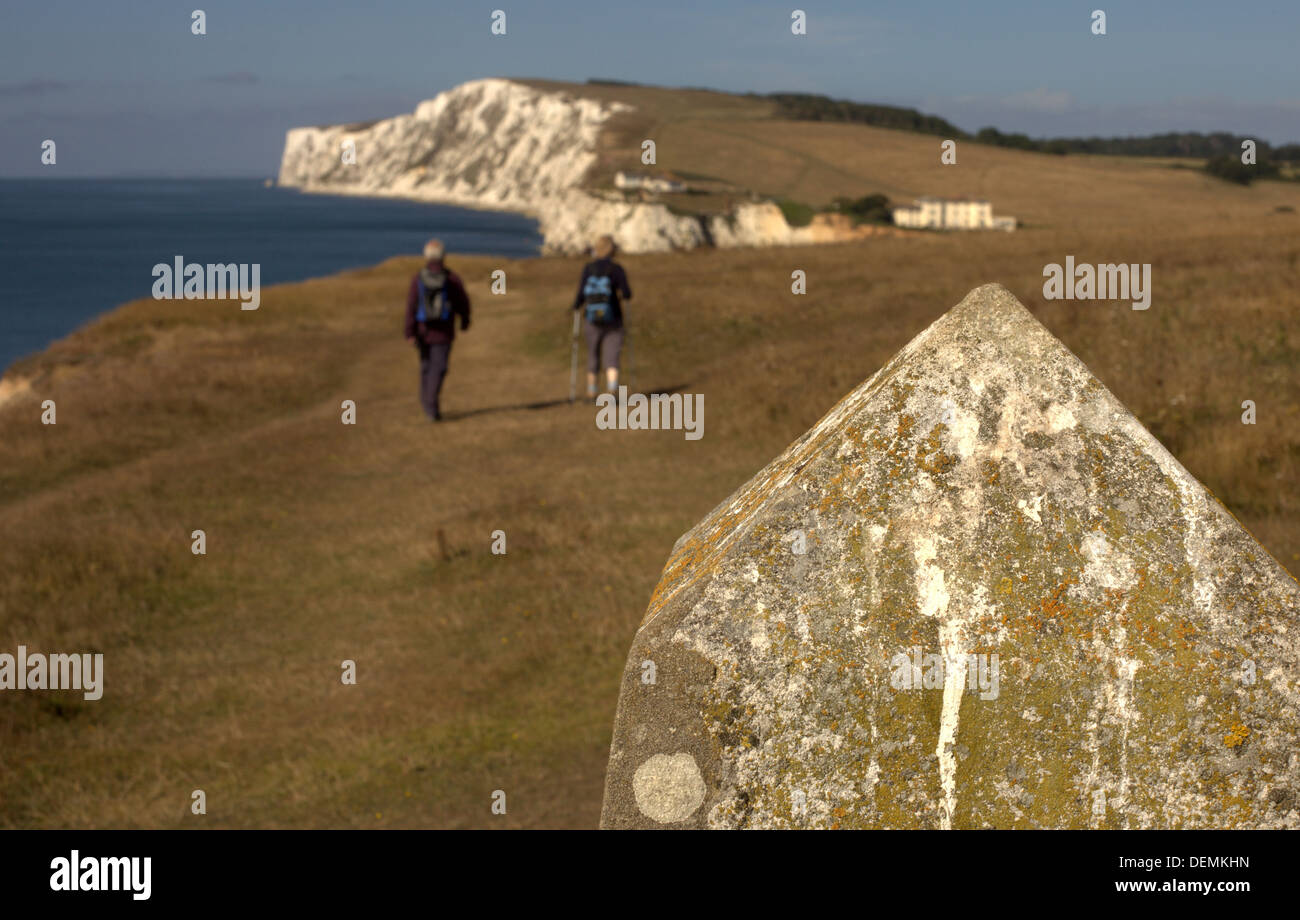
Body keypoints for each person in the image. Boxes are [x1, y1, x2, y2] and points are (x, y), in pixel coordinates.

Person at [404, 239, 471, 421]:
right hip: (443, 332)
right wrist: (465, 321)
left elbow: (411, 306)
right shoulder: (451, 279)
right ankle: (431, 406)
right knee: (439, 368)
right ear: (444, 256)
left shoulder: (418, 279)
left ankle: (427, 403)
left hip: (422, 331)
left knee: (427, 367)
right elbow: (462, 303)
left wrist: (409, 332)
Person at [572, 234, 632, 401]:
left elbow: (581, 294)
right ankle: (612, 391)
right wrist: (621, 297)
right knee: (612, 354)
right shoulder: (616, 269)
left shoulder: (588, 268)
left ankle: (592, 392)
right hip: (614, 317)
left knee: (593, 353)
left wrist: (576, 306)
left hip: (591, 318)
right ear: (612, 250)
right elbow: (627, 293)